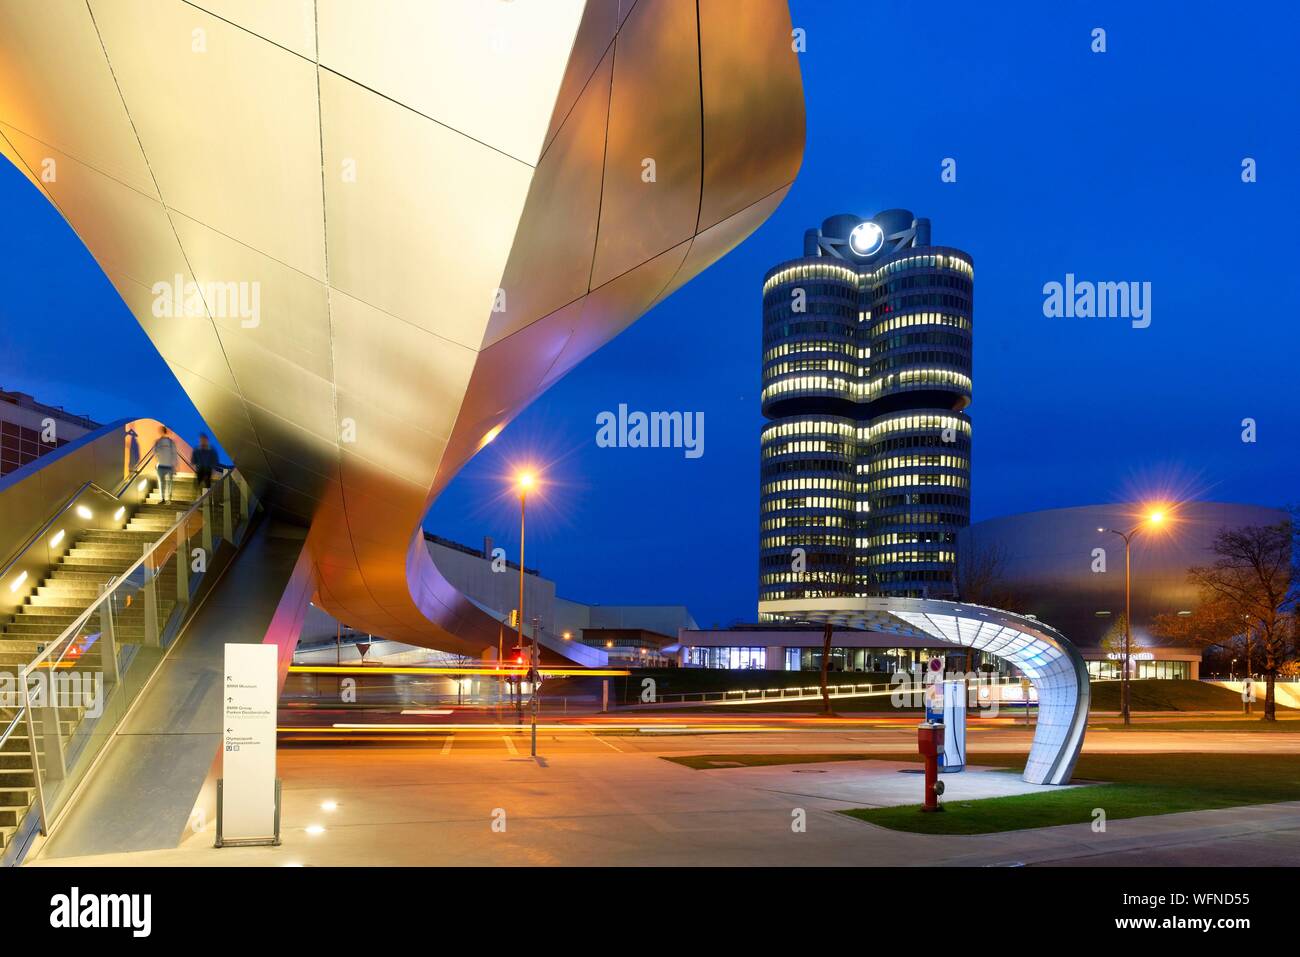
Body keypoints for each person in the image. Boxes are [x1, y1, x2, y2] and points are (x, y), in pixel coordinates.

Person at [153, 427, 178, 504]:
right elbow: (155, 452)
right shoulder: (159, 442)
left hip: (168, 466)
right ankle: (164, 498)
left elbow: (174, 454)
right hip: (161, 465)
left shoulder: (170, 442)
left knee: (167, 483)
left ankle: (168, 499)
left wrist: (174, 465)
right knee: (163, 483)